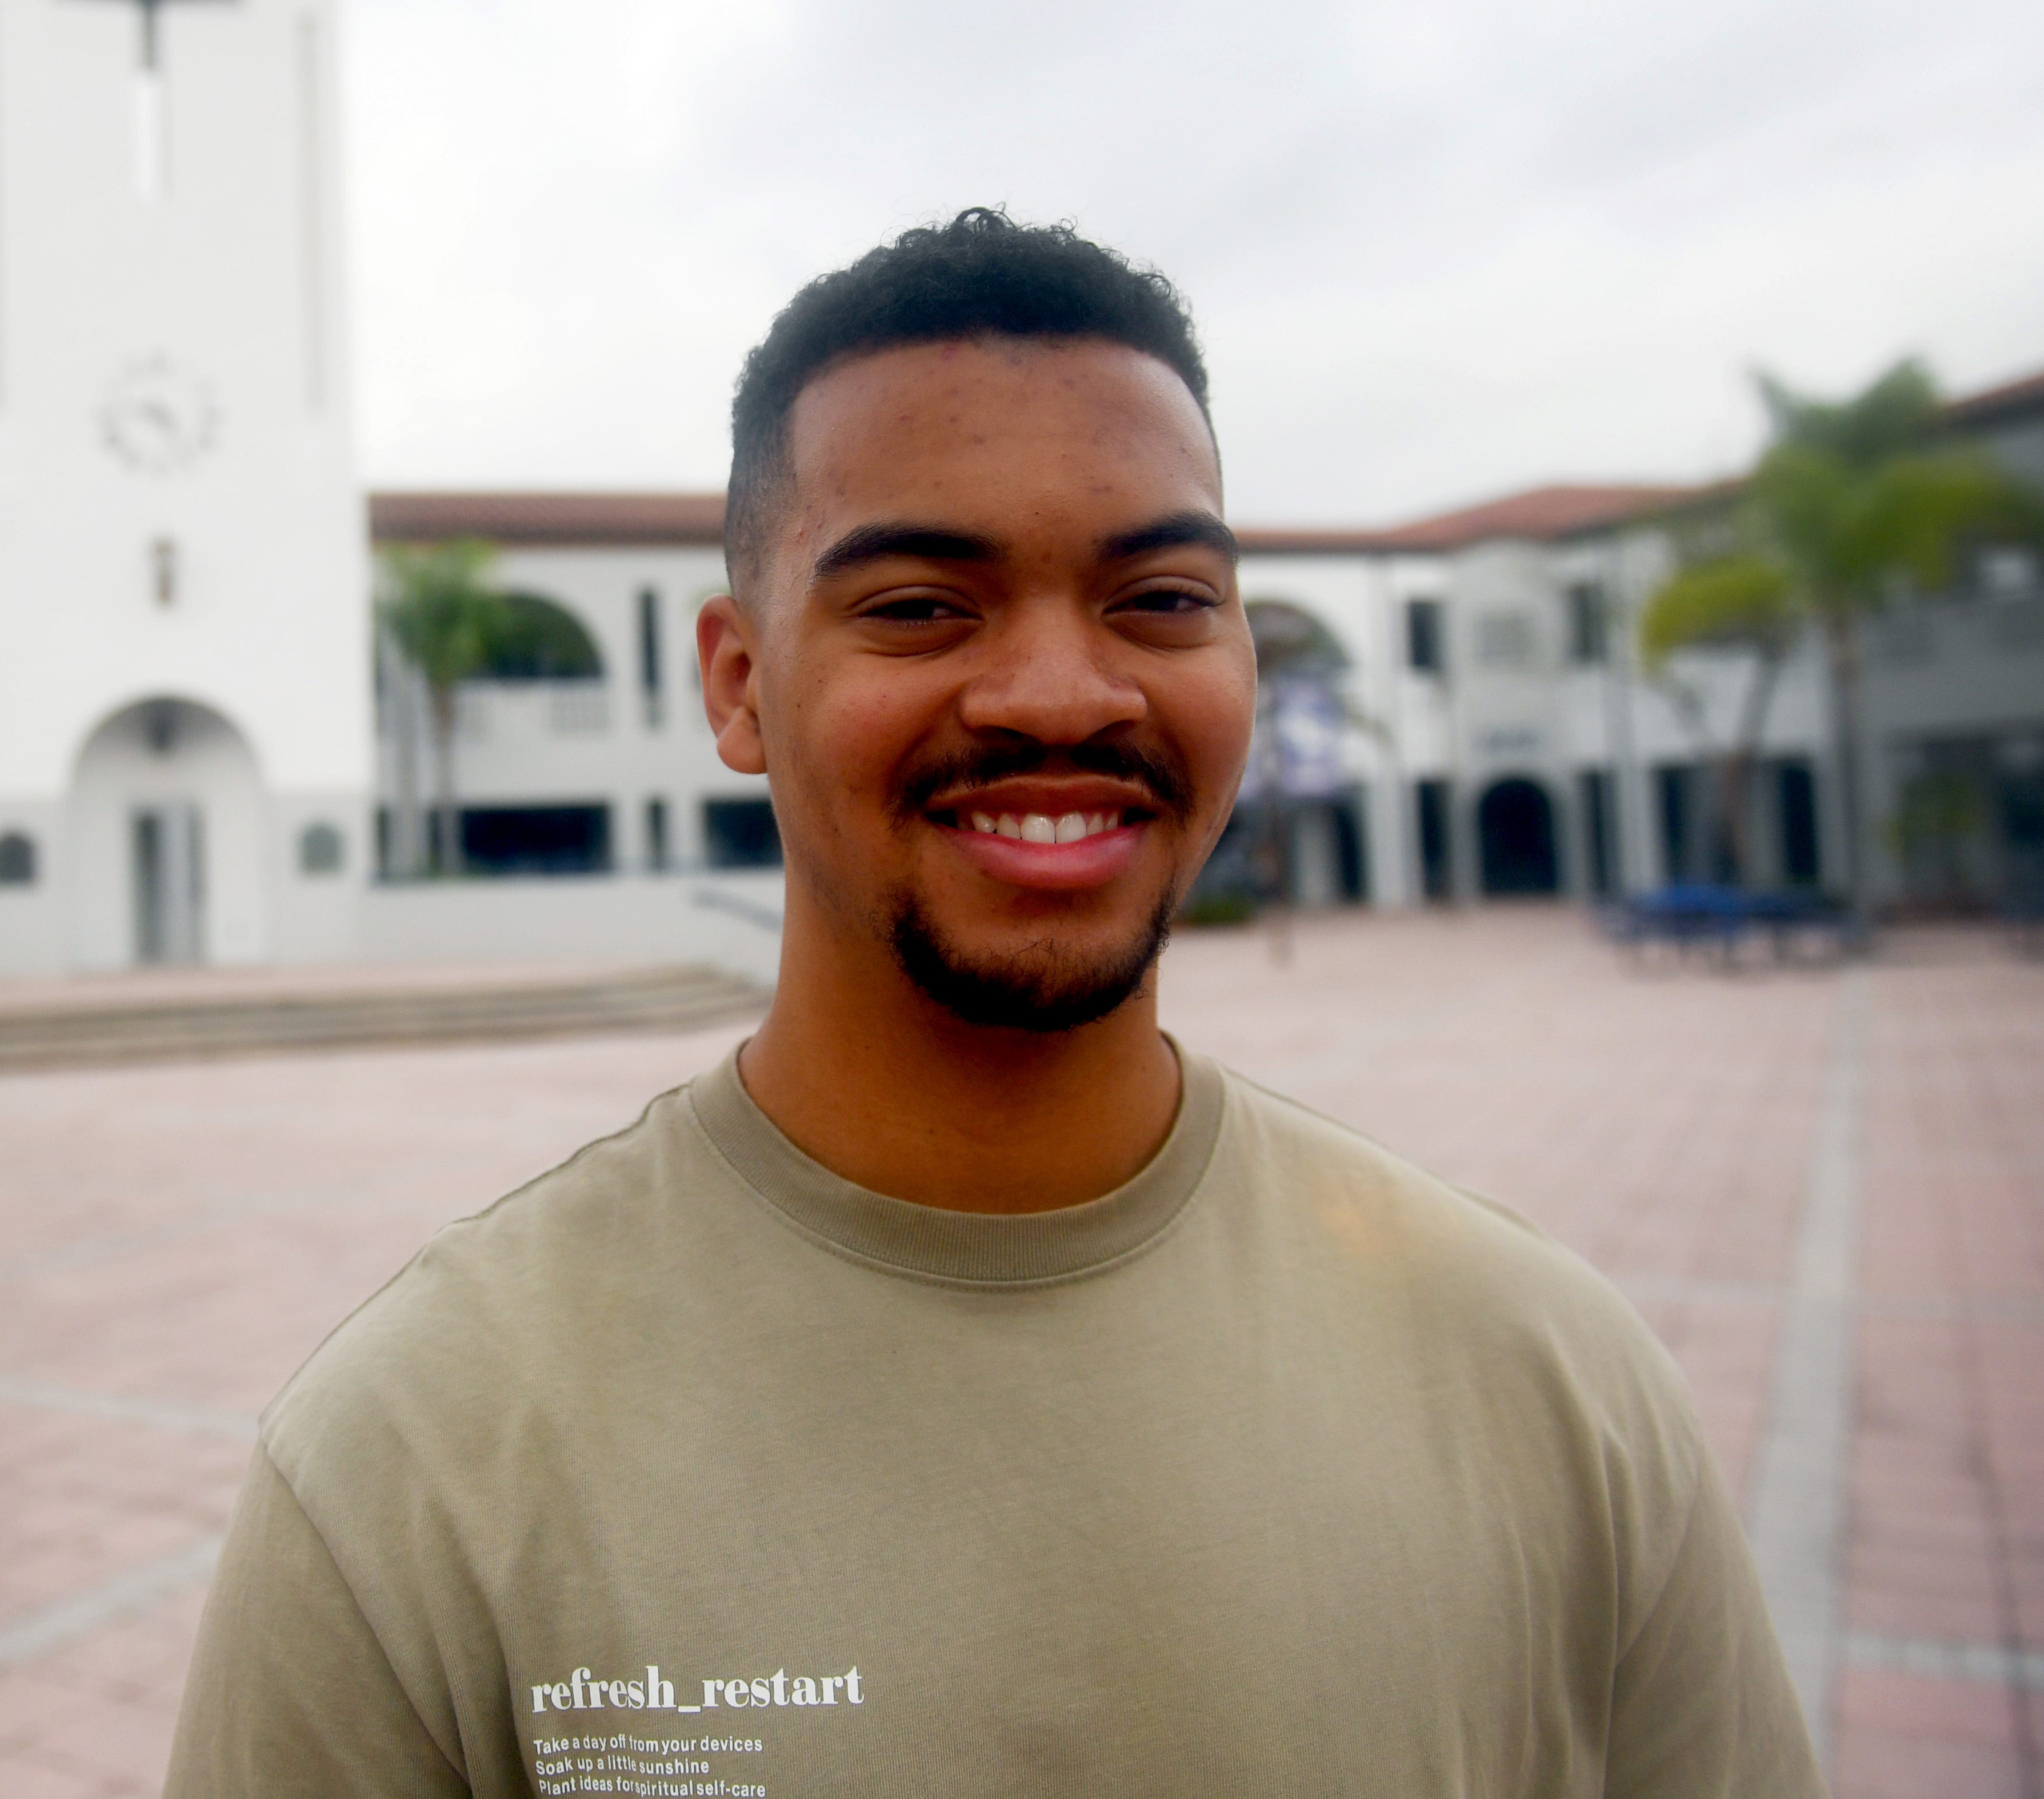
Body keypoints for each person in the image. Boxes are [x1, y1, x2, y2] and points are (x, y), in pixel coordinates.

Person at [165, 210, 1823, 1796]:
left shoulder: (1549, 1383)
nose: (1057, 693)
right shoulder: (421, 1453)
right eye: (919, 608)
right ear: (739, 685)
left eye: (1160, 600)